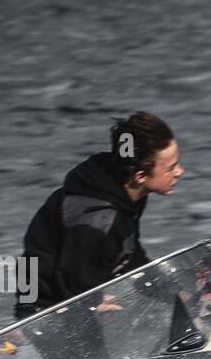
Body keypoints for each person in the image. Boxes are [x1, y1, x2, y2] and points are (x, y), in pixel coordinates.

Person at [19, 111, 184, 319]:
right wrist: (93, 305)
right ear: (140, 176)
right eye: (170, 168)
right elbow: (73, 283)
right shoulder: (99, 217)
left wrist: (168, 288)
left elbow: (127, 253)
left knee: (173, 298)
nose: (180, 172)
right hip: (46, 312)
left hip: (81, 282)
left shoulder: (124, 188)